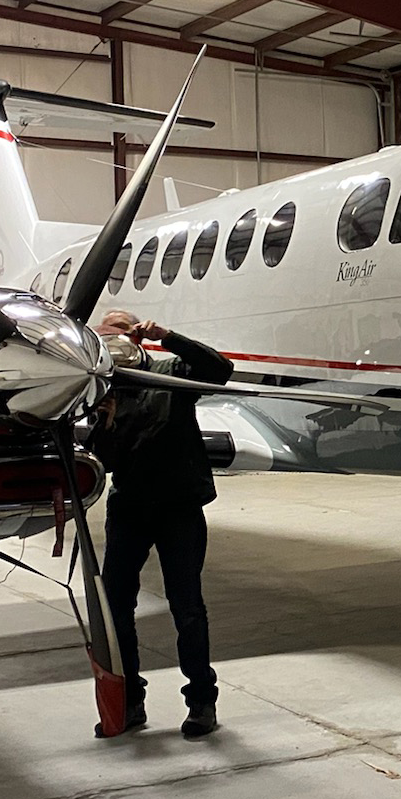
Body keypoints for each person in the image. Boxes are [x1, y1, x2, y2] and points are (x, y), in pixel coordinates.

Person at [88, 310, 233, 740]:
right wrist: (106, 423)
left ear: (135, 335)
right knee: (117, 610)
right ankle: (130, 701)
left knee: (187, 606)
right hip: (129, 507)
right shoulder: (102, 389)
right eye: (101, 336)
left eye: (116, 331)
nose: (108, 341)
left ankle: (202, 702)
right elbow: (107, 461)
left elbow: (220, 370)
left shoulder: (171, 372)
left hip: (179, 507)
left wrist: (168, 336)